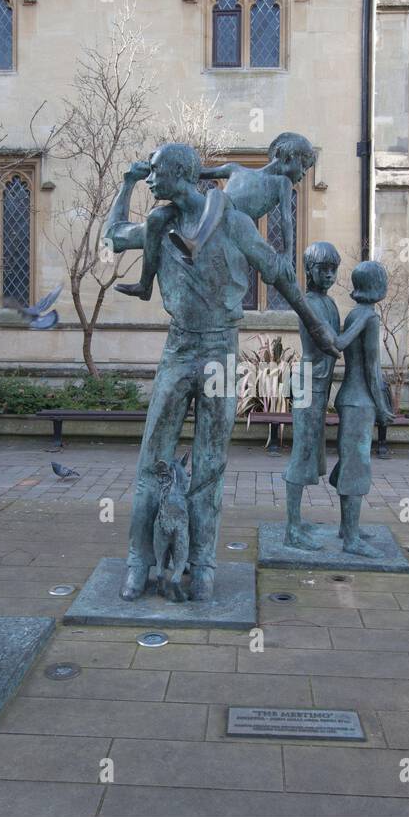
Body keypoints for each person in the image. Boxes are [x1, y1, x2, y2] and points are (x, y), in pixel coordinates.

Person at [102, 143, 338, 601]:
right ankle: (139, 562)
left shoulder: (233, 221)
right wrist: (127, 182)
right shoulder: (161, 223)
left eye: (154, 173)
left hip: (220, 351)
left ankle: (203, 565)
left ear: (179, 173)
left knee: (209, 465)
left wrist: (315, 325)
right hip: (179, 347)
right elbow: (113, 234)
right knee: (153, 459)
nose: (151, 180)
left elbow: (281, 274)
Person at [115, 132, 317, 300]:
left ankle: (194, 243)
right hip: (212, 213)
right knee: (156, 218)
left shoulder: (282, 183)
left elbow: (286, 219)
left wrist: (286, 255)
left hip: (231, 218)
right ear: (288, 157)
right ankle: (145, 284)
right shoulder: (235, 169)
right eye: (304, 165)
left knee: (215, 194)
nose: (304, 173)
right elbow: (198, 172)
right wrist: (160, 165)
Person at [329, 260, 395, 558]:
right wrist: (382, 407)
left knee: (351, 463)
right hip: (360, 401)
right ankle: (352, 538)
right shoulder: (368, 318)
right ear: (376, 285)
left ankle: (347, 528)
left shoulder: (356, 313)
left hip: (351, 398)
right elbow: (372, 368)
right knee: (357, 469)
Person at [282, 241, 342, 549]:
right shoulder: (310, 303)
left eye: (334, 269)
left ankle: (296, 521)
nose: (330, 275)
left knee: (310, 453)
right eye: (323, 269)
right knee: (301, 454)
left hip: (320, 385)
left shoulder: (329, 303)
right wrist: (365, 321)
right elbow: (332, 342)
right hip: (309, 383)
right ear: (309, 270)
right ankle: (292, 528)